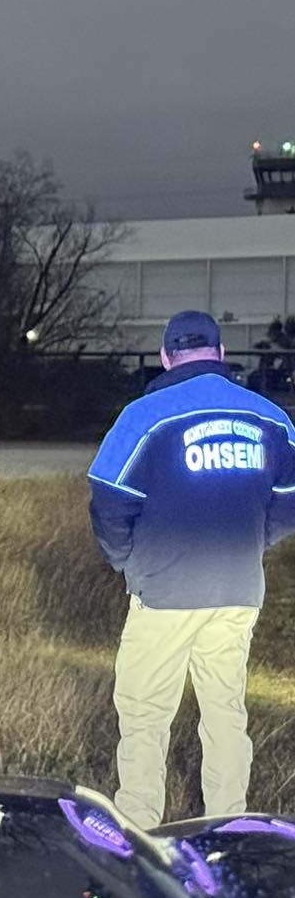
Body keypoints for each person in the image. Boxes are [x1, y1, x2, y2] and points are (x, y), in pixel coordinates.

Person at [88, 310, 295, 828]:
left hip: (164, 592)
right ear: (222, 355)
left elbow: (108, 501)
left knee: (144, 712)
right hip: (237, 591)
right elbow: (288, 501)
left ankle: (140, 824)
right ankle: (228, 826)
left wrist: (128, 561)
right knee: (226, 711)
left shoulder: (143, 415)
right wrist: (251, 545)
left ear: (165, 357)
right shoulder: (272, 418)